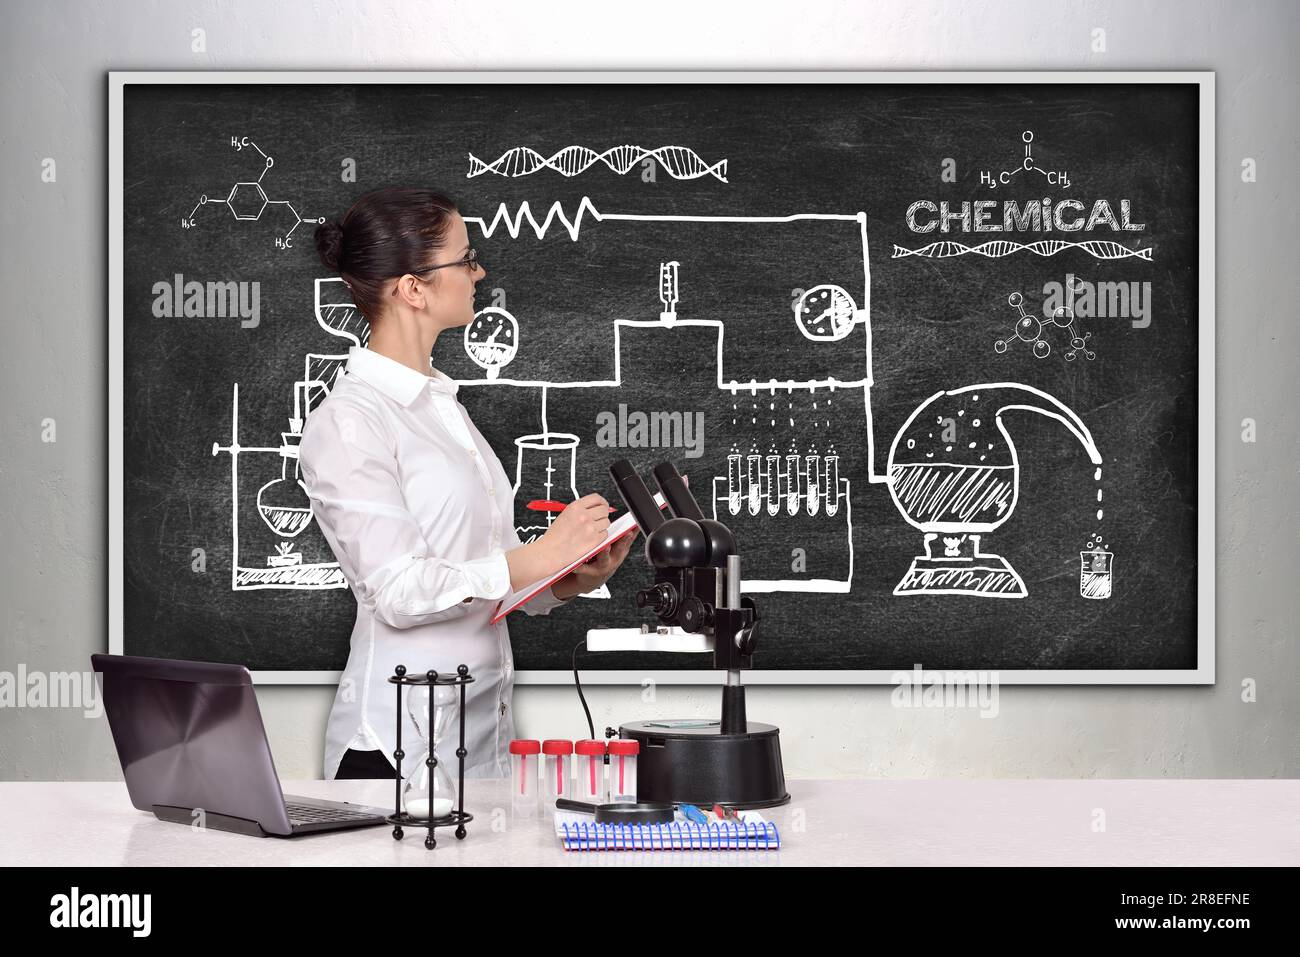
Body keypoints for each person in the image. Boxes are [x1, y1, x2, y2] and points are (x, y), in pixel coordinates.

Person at [299, 186, 636, 781]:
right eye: (466, 258)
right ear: (413, 288)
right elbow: (400, 593)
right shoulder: (351, 422)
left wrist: (567, 577)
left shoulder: (444, 408)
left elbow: (487, 580)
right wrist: (536, 557)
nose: (479, 272)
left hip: (481, 744)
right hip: (397, 752)